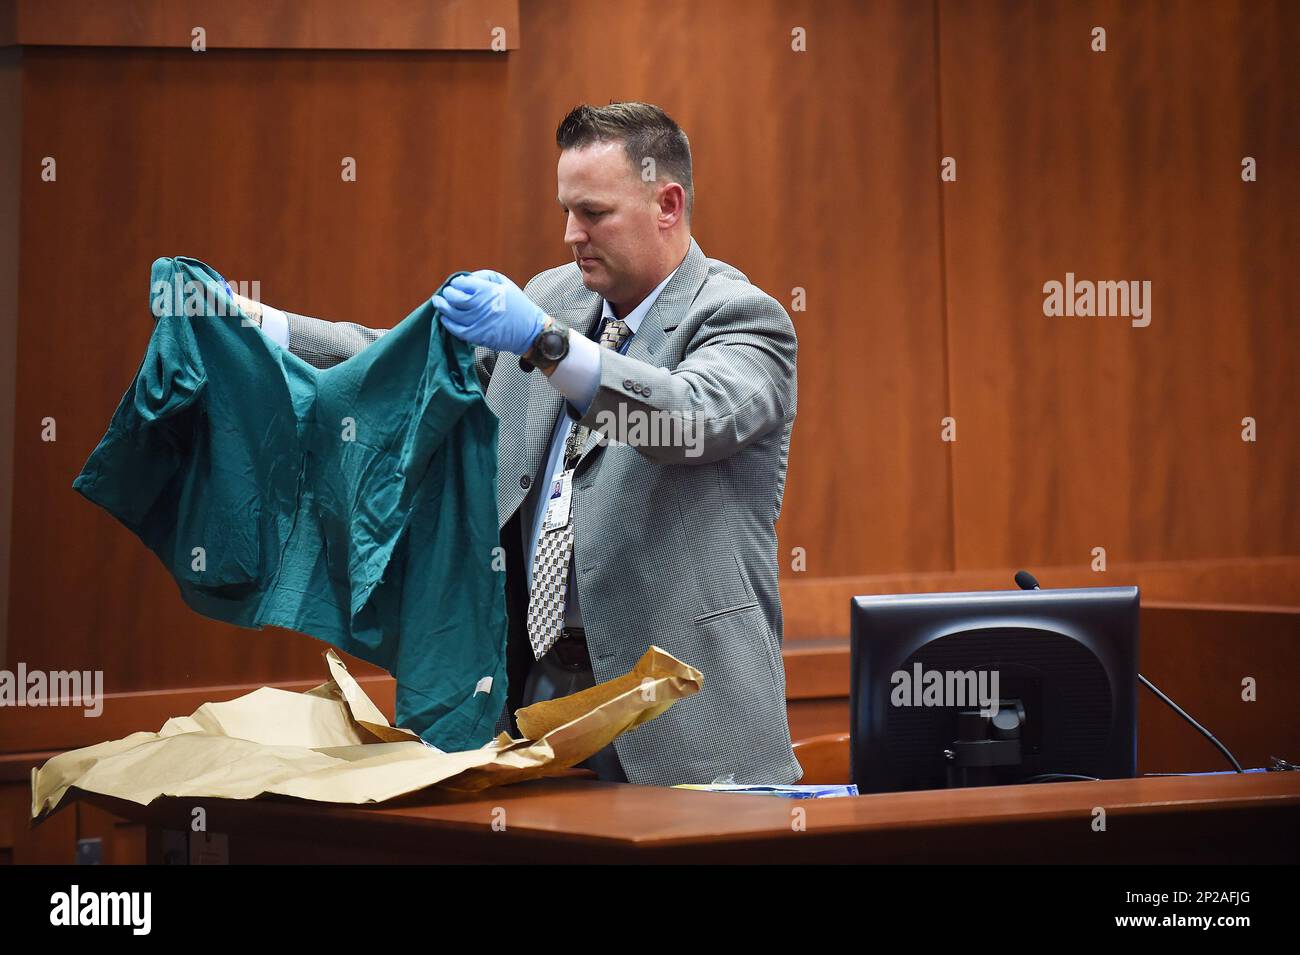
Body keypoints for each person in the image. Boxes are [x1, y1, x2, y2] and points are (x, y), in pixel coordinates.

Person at [241, 102, 801, 786]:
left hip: (682, 724)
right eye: (565, 210)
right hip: (532, 698)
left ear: (667, 202)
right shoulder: (553, 299)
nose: (571, 234)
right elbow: (410, 374)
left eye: (593, 213)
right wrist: (265, 327)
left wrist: (545, 343)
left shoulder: (741, 317)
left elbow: (687, 417)